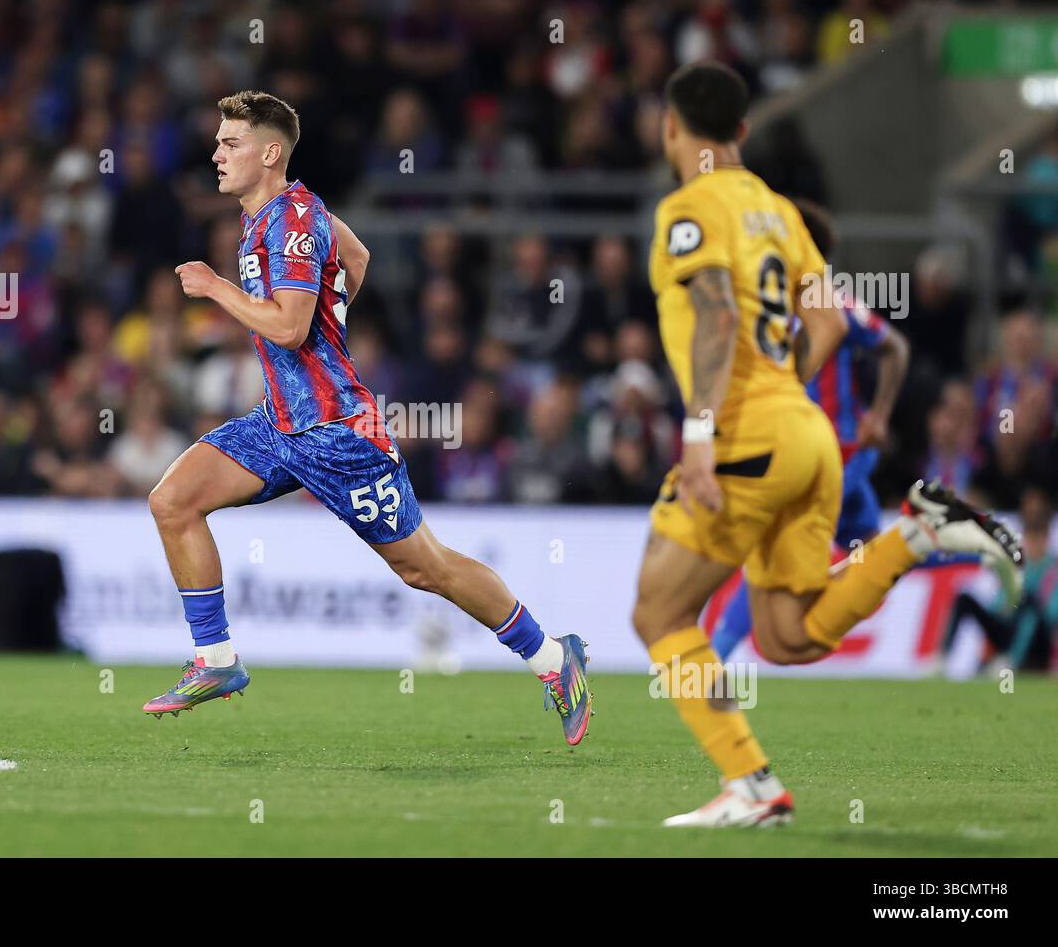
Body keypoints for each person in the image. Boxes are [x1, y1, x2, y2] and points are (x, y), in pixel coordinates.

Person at [633, 61, 1023, 828]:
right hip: (810, 435)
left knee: (660, 614)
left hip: (745, 433)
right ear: (742, 131)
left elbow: (715, 320)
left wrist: (702, 435)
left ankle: (750, 785)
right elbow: (834, 325)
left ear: (670, 126)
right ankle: (913, 535)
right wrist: (785, 390)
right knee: (786, 636)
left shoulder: (689, 208)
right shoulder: (779, 213)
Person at [142, 91, 591, 745]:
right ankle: (216, 660)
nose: (215, 153)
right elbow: (356, 261)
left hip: (337, 435)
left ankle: (554, 658)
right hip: (280, 425)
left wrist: (217, 291)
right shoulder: (288, 210)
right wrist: (332, 319)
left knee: (424, 568)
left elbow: (292, 329)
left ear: (269, 152)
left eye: (230, 143)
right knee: (173, 501)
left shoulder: (287, 223)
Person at [709, 200, 911, 659]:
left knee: (772, 551)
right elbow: (895, 347)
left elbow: (895, 348)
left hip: (832, 455)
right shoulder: (782, 305)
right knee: (872, 556)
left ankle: (715, 652)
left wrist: (878, 415)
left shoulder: (821, 301)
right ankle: (949, 541)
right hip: (815, 451)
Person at [935, 487, 1057, 675]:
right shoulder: (1016, 566)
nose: (1033, 543)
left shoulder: (1053, 568)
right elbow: (999, 601)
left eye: (1037, 537)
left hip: (1039, 636)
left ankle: (1011, 661)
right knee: (965, 599)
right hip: (1010, 628)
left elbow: (1051, 612)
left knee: (1030, 602)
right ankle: (940, 659)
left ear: (1046, 538)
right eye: (1029, 537)